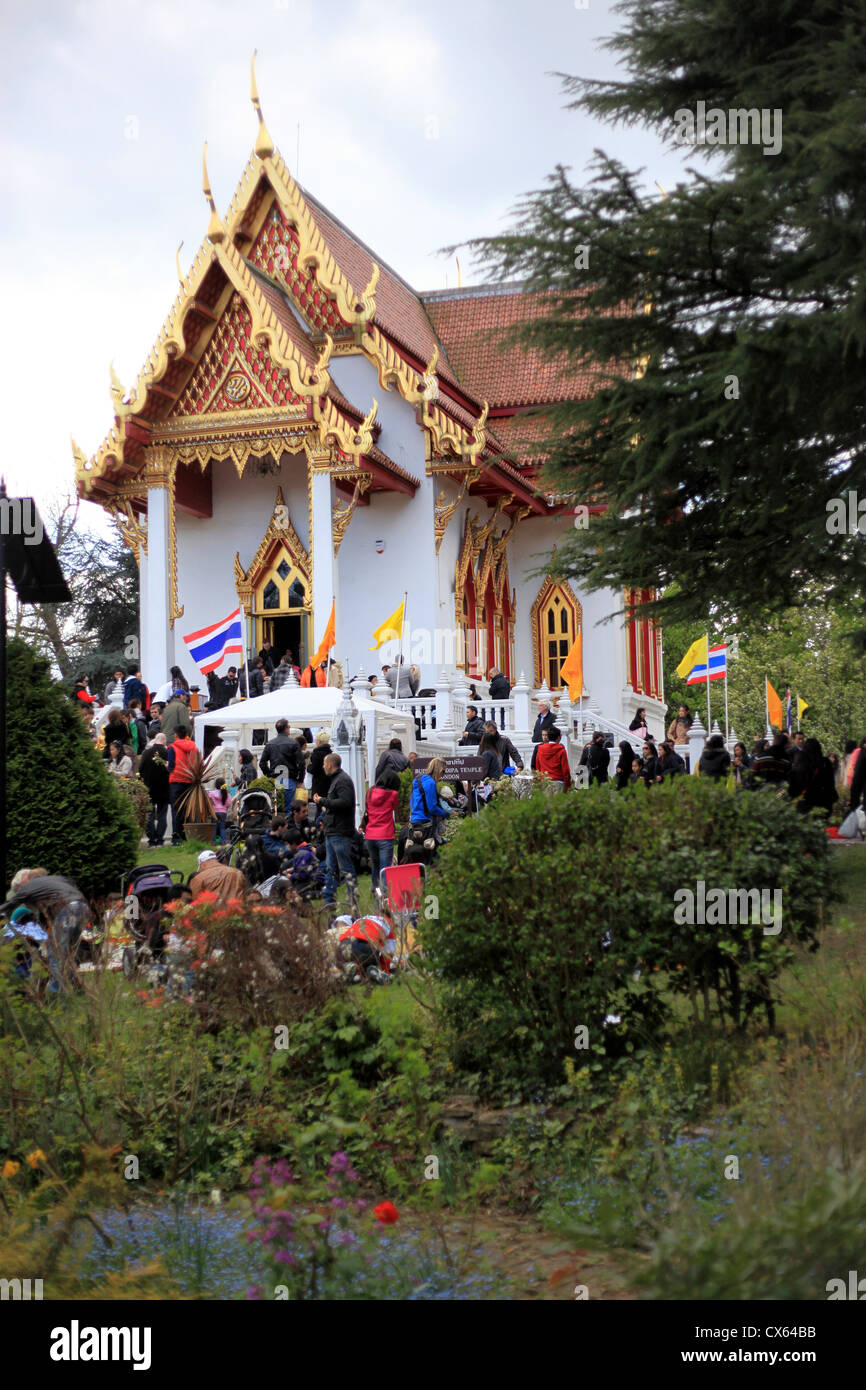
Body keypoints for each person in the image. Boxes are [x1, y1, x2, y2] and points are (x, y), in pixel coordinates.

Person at [313, 753, 357, 909]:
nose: (323, 766)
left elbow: (345, 802)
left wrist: (323, 801)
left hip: (340, 831)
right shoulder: (336, 780)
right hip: (332, 831)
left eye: (324, 764)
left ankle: (353, 898)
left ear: (330, 765)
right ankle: (329, 900)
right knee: (331, 868)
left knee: (345, 867)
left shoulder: (342, 780)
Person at [364, 769, 400, 891]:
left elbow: (367, 809)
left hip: (370, 835)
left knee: (375, 865)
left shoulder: (369, 792)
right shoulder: (393, 794)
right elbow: (394, 807)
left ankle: (376, 890)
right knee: (385, 868)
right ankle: (385, 897)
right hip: (385, 835)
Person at [259, 719, 304, 804]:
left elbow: (262, 763)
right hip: (289, 778)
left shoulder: (270, 744)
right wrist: (300, 779)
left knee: (277, 806)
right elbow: (301, 763)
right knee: (289, 808)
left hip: (276, 778)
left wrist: (269, 775)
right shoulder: (294, 743)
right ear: (286, 728)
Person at [789, 737, 836, 816]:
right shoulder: (825, 762)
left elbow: (794, 782)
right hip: (823, 802)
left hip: (804, 803)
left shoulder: (800, 762)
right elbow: (830, 783)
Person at [167, 732, 198, 844]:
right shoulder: (193, 747)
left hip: (176, 781)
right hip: (190, 781)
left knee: (176, 810)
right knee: (188, 809)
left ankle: (176, 837)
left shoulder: (173, 748)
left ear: (175, 735)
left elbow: (171, 766)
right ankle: (187, 836)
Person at [139, 733, 170, 847]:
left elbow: (141, 769)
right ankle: (160, 838)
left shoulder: (146, 753)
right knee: (162, 814)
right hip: (163, 788)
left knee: (150, 815)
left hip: (149, 788)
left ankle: (152, 839)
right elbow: (171, 769)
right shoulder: (166, 753)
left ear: (155, 740)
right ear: (164, 741)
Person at [410, 756, 453, 836]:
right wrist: (446, 814)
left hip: (414, 820)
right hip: (426, 821)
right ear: (438, 770)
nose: (443, 775)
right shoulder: (430, 783)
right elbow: (432, 808)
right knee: (440, 844)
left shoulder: (417, 779)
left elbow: (412, 800)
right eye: (443, 771)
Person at [535, 724, 571, 790]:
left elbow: (538, 766)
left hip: (545, 781)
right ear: (558, 737)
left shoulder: (540, 749)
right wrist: (568, 785)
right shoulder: (561, 750)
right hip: (558, 781)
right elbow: (565, 770)